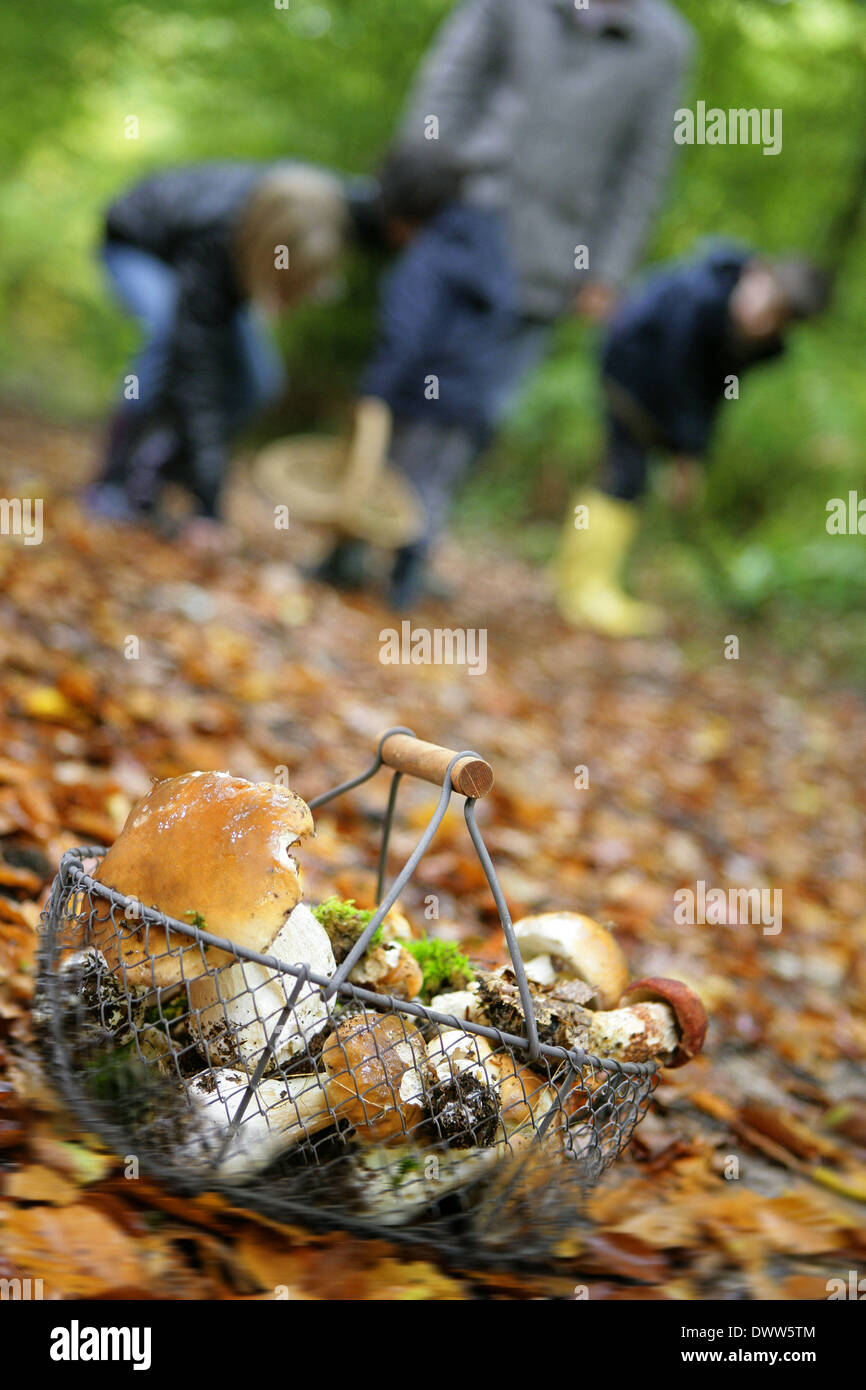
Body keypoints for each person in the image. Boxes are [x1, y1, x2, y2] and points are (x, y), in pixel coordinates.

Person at [398, 0, 696, 431]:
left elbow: (644, 168)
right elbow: (450, 81)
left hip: (552, 255)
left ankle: (421, 494)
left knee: (474, 404)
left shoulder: (667, 44)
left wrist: (607, 271)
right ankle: (362, 482)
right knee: (404, 364)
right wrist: (414, 184)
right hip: (461, 209)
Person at [554, 246, 832, 635]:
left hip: (667, 397)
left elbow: (714, 396)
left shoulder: (758, 346)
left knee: (629, 480)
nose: (762, 319)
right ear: (757, 274)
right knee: (625, 474)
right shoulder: (697, 296)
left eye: (778, 318)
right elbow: (677, 375)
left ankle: (589, 582)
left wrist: (694, 453)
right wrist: (684, 453)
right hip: (629, 368)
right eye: (767, 301)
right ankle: (584, 589)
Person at [87, 161, 351, 526]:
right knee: (167, 336)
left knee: (259, 382)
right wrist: (210, 500)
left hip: (211, 279)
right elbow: (195, 371)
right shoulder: (214, 239)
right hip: (138, 246)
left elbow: (390, 207)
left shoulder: (330, 214)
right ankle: (113, 481)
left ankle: (160, 472)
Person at [314, 145, 518, 606]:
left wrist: (374, 390)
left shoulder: (428, 257)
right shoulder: (490, 247)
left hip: (420, 393)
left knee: (377, 475)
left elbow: (404, 332)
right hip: (469, 397)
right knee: (429, 486)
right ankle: (405, 579)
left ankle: (346, 563)